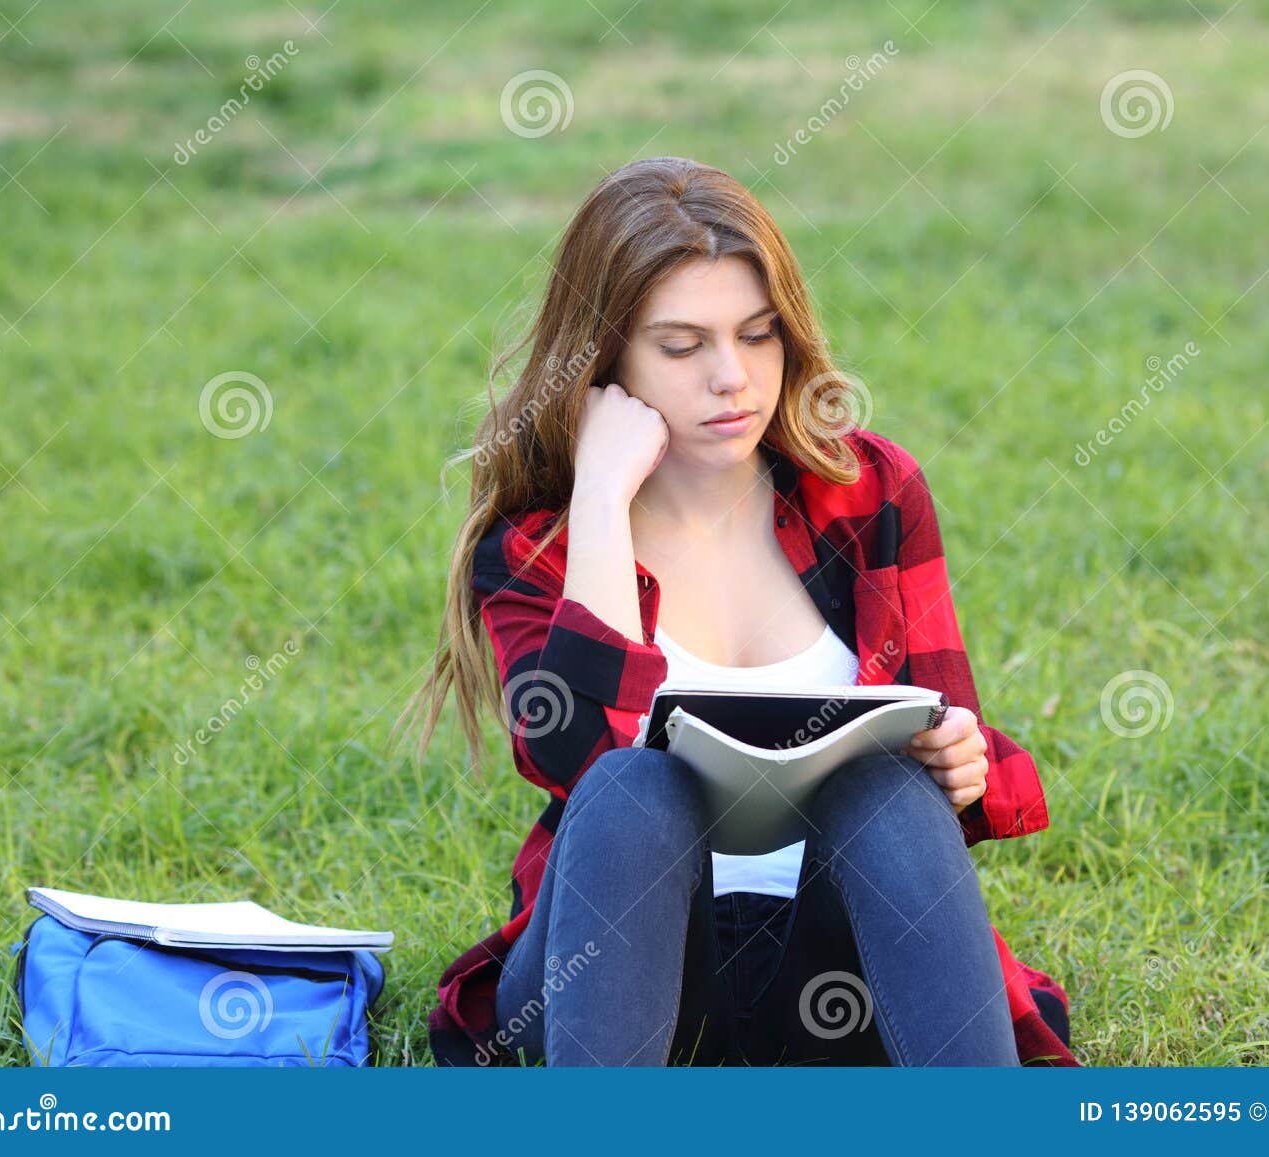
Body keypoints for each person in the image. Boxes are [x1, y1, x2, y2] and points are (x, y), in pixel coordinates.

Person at [401, 156, 1077, 1067]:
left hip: (835, 979)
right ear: (604, 362)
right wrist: (601, 498)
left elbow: (947, 754)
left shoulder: (869, 491)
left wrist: (964, 757)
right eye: (682, 346)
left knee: (887, 789)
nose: (733, 378)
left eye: (758, 335)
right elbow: (572, 759)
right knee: (635, 785)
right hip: (627, 977)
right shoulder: (541, 544)